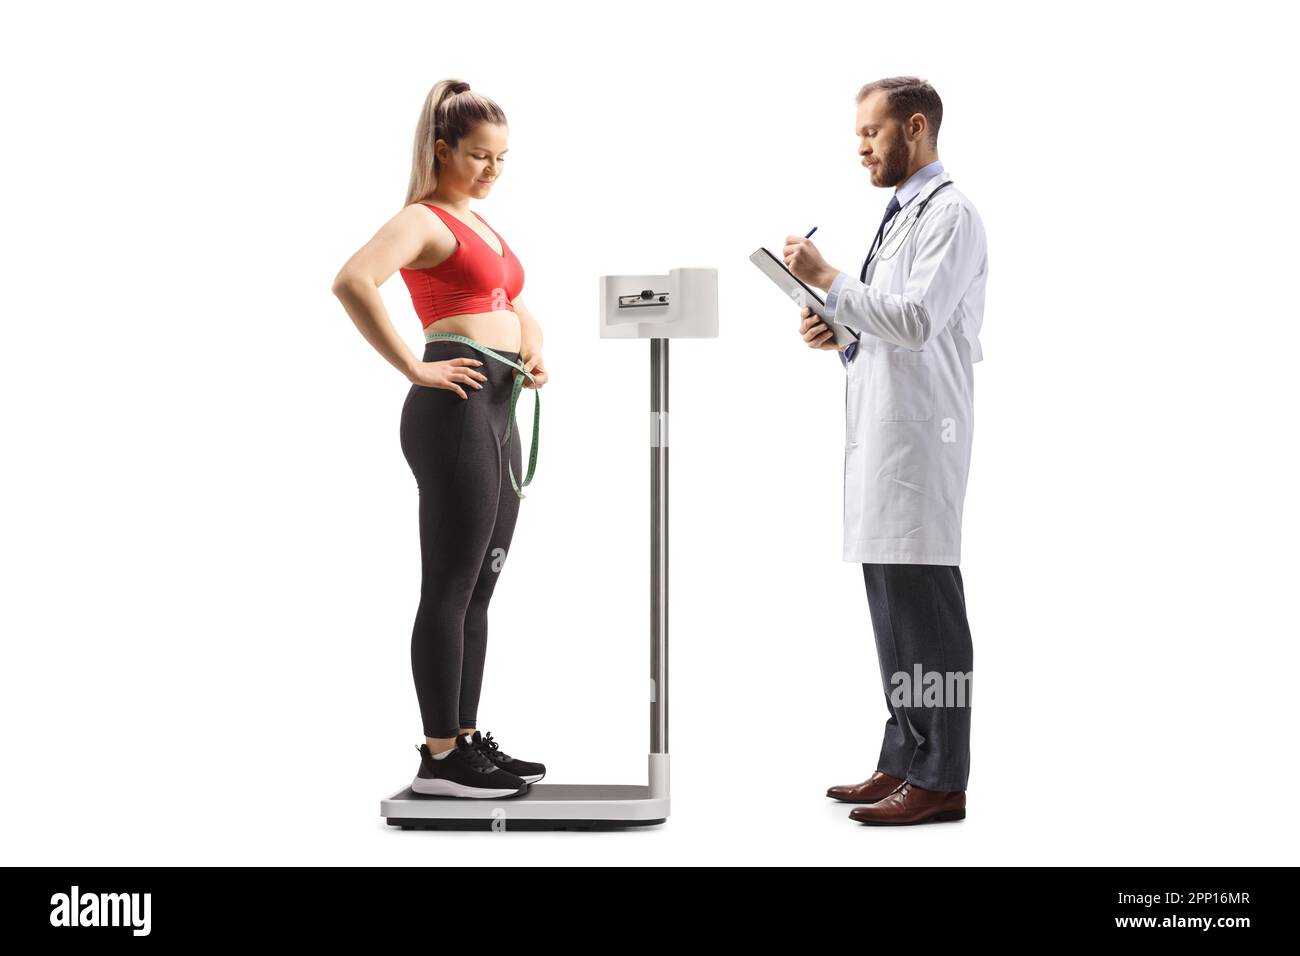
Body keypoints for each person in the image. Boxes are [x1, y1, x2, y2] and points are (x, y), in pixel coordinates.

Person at [331, 79, 548, 798]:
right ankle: (438, 757)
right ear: (441, 149)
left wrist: (535, 345)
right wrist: (413, 366)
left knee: (481, 587)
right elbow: (353, 280)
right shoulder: (423, 219)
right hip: (454, 407)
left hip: (499, 403)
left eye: (502, 158)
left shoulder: (480, 223)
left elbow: (512, 301)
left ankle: (465, 737)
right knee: (450, 587)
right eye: (479, 156)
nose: (491, 169)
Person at [783, 76, 988, 825]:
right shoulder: (901, 214)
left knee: (927, 614)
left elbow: (918, 319)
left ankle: (941, 778)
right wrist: (838, 327)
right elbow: (883, 325)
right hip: (883, 436)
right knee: (893, 610)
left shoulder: (952, 215)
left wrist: (829, 279)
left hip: (921, 440)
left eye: (872, 132)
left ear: (916, 128)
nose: (861, 147)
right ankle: (904, 757)